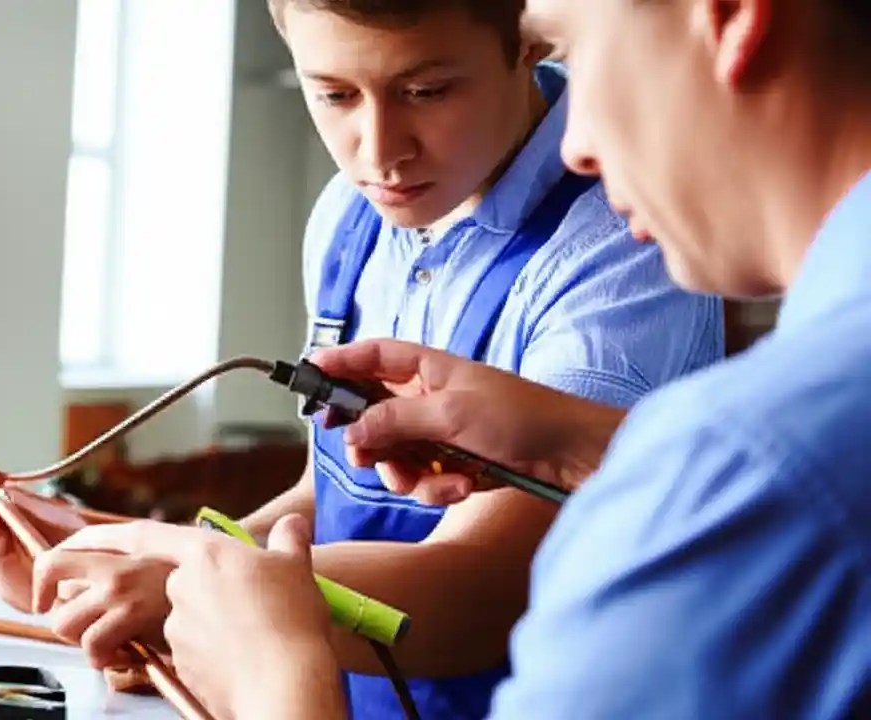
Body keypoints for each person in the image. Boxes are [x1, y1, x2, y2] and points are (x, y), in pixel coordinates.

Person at [49, 0, 871, 717]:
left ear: (729, 14)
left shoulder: (750, 455)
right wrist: (144, 562)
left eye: (574, 49)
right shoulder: (350, 221)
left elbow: (497, 577)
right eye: (334, 94)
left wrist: (277, 681)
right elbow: (316, 497)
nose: (576, 144)